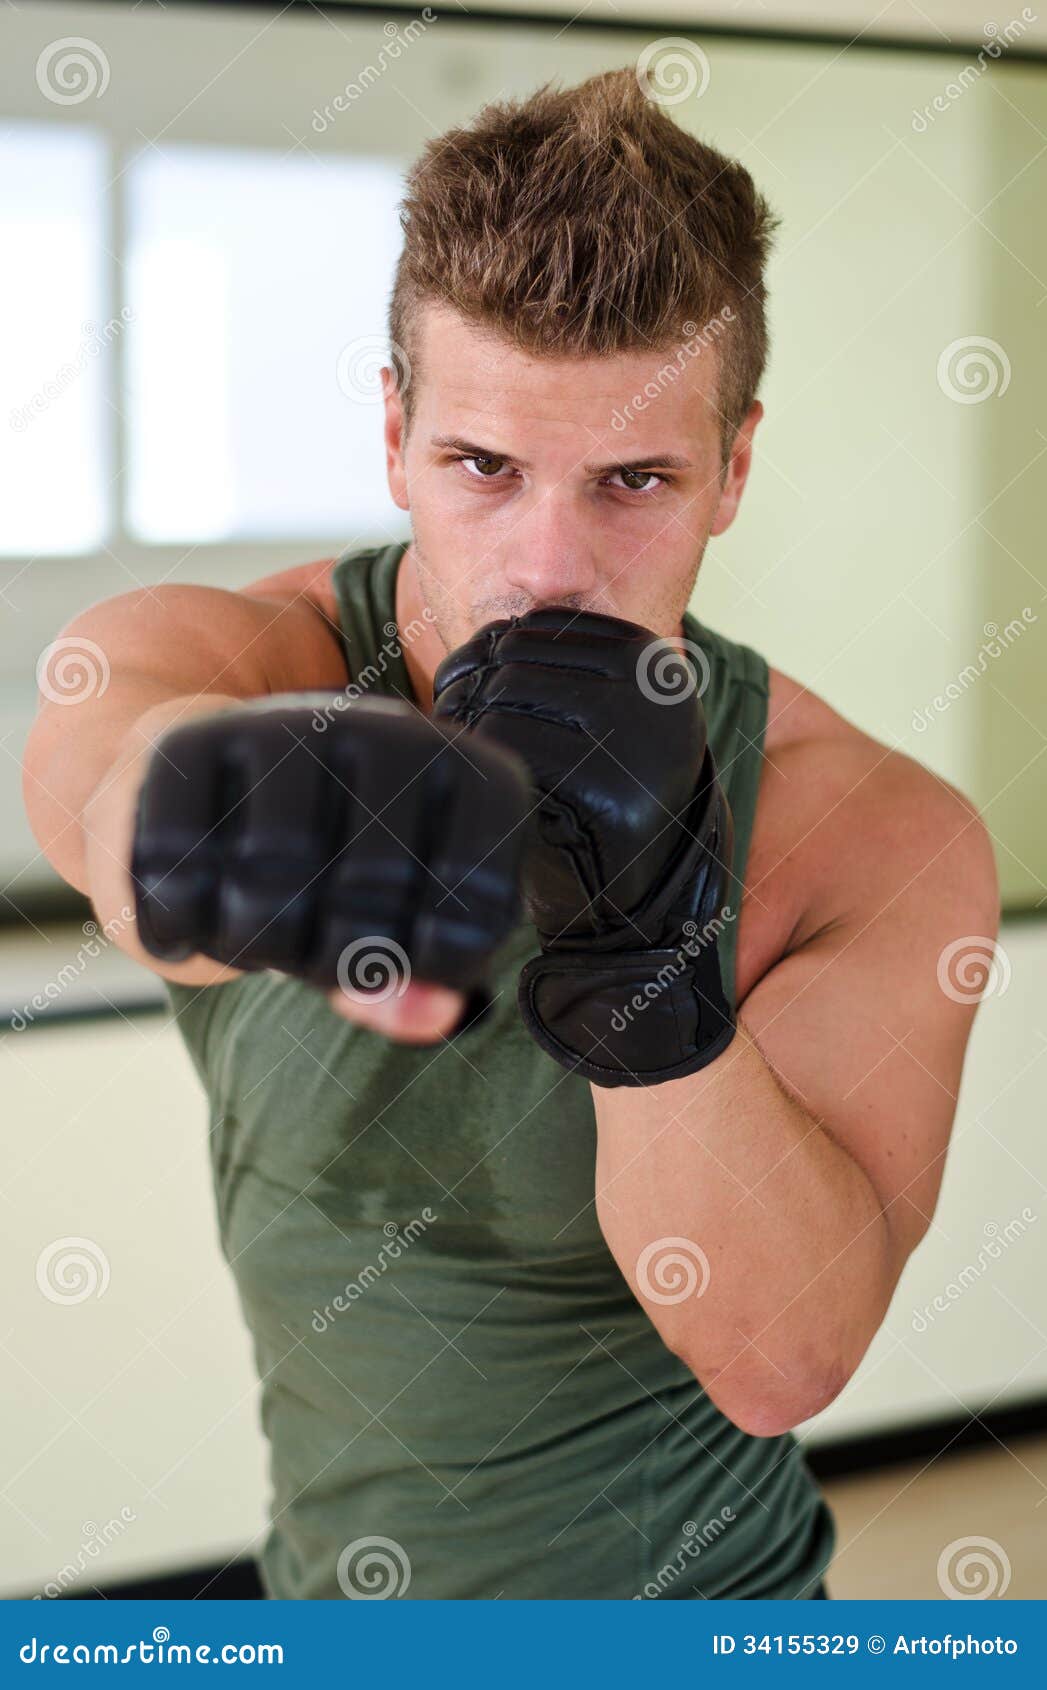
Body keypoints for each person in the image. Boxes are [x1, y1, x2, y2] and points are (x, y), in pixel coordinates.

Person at [23, 68, 999, 1601]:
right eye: (485, 469)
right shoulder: (243, 659)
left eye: (634, 481)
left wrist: (647, 963)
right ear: (399, 434)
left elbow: (781, 1360)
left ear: (733, 468)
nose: (551, 564)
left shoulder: (873, 827)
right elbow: (108, 782)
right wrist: (214, 806)